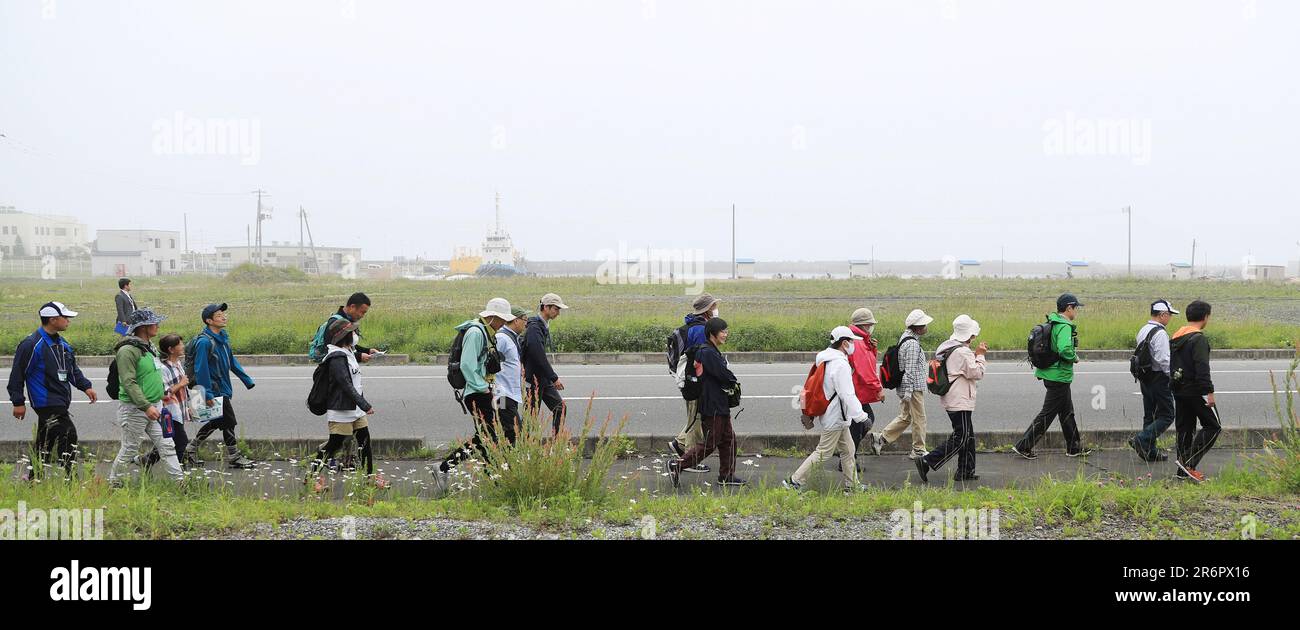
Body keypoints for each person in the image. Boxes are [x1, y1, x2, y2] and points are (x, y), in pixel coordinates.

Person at [7, 301, 97, 481]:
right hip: (45, 402)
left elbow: (72, 370)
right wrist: (18, 402)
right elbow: (17, 374)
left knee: (45, 441)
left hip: (61, 399)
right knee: (68, 434)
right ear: (53, 319)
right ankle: (71, 479)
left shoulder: (62, 343)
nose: (69, 321)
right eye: (66, 317)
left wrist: (86, 386)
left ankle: (33, 478)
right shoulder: (31, 344)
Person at [783, 326, 870, 493]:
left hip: (834, 414)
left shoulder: (825, 359)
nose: (853, 345)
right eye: (852, 342)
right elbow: (847, 394)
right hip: (836, 416)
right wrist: (862, 417)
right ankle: (794, 481)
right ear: (844, 343)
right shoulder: (840, 364)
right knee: (823, 452)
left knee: (848, 450)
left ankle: (852, 486)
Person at [437, 298, 513, 481]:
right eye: (502, 319)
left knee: (485, 437)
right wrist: (484, 388)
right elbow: (467, 365)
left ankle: (444, 467)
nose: (503, 323)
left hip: (485, 392)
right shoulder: (476, 333)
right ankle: (495, 475)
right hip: (477, 393)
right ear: (492, 317)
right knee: (488, 436)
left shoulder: (487, 332)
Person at [107, 309, 184, 486]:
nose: (158, 325)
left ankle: (180, 483)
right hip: (136, 409)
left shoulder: (149, 348)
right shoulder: (127, 350)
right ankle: (115, 484)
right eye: (154, 322)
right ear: (143, 327)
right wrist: (145, 406)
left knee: (167, 445)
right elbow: (128, 382)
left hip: (155, 407)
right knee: (129, 448)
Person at [666, 318, 746, 487]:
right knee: (711, 442)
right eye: (722, 331)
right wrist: (732, 380)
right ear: (712, 334)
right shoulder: (707, 352)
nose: (726, 334)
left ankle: (726, 476)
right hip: (712, 404)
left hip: (719, 403)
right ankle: (677, 465)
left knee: (728, 440)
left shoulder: (711, 350)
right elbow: (724, 375)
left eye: (726, 331)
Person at [1013, 293, 1092, 459]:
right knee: (1047, 414)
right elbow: (1064, 349)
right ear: (1069, 308)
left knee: (1066, 412)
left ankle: (1074, 447)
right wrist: (1074, 358)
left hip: (1051, 373)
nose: (1076, 311)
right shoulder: (1064, 326)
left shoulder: (1053, 322)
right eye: (1076, 308)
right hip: (1058, 376)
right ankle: (1024, 446)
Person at [308, 319, 383, 486]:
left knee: (365, 442)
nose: (356, 335)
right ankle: (311, 478)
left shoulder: (348, 352)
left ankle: (369, 478)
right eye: (353, 333)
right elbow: (345, 384)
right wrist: (365, 404)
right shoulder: (336, 356)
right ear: (344, 337)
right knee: (334, 445)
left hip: (355, 409)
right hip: (341, 410)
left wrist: (360, 406)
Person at [182, 303, 257, 469]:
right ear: (209, 321)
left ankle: (190, 449)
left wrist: (246, 380)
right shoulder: (204, 342)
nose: (224, 317)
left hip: (223, 386)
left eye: (223, 314)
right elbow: (201, 369)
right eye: (218, 315)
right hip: (213, 389)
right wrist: (207, 393)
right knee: (229, 422)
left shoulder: (222, 337)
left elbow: (232, 361)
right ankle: (234, 457)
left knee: (217, 422)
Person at [915, 315, 986, 483]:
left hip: (952, 398)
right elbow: (977, 373)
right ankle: (927, 461)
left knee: (968, 436)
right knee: (961, 436)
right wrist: (981, 356)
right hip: (959, 400)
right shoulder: (962, 351)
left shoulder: (946, 346)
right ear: (969, 336)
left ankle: (965, 471)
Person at [869, 309, 932, 460]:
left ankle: (880, 438)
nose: (926, 327)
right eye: (924, 324)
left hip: (906, 387)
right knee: (919, 418)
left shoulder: (906, 337)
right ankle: (918, 449)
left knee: (906, 417)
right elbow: (909, 370)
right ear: (917, 327)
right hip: (913, 388)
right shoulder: (912, 344)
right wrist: (909, 394)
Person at [666, 293, 719, 474]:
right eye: (713, 307)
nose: (715, 310)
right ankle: (690, 459)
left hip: (690, 380)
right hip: (696, 381)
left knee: (695, 416)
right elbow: (701, 358)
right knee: (696, 419)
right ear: (707, 310)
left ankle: (679, 444)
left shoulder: (693, 326)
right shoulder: (699, 330)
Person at [1170, 300, 1221, 482]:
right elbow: (1202, 367)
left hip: (1178, 388)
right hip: (1193, 390)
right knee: (1213, 426)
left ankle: (1183, 472)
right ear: (1205, 317)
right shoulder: (1198, 338)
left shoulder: (1177, 336)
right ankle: (1188, 463)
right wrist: (1209, 392)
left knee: (1185, 429)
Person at [1128, 300, 1179, 462]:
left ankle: (1149, 451)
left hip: (1145, 377)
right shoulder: (1160, 333)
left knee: (1149, 415)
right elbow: (1164, 360)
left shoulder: (1144, 329)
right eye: (1169, 315)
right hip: (1159, 378)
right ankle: (1142, 439)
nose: (1170, 318)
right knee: (1167, 415)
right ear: (1163, 315)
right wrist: (1173, 377)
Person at [142, 334, 197, 470]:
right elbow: (164, 393)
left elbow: (184, 390)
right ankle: (182, 473)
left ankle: (147, 460)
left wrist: (188, 406)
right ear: (171, 349)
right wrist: (181, 383)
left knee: (170, 440)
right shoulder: (163, 368)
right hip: (169, 412)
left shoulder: (178, 364)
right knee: (181, 441)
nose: (183, 346)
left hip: (180, 408)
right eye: (180, 344)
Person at [841, 307, 883, 471]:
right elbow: (865, 369)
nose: (872, 327)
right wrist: (878, 388)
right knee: (863, 422)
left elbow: (868, 361)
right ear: (864, 325)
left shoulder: (858, 340)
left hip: (854, 391)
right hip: (855, 392)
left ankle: (847, 456)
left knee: (856, 424)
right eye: (870, 324)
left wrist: (872, 347)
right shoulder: (857, 343)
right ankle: (848, 458)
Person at [523, 293, 569, 434]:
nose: (558, 313)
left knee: (560, 408)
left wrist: (549, 377)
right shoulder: (534, 327)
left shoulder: (542, 325)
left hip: (543, 378)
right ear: (546, 307)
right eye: (556, 309)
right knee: (531, 416)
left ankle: (556, 445)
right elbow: (538, 354)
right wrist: (554, 377)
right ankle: (526, 448)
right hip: (534, 379)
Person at [494, 306, 529, 444]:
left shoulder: (511, 337)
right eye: (525, 320)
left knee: (498, 432)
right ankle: (512, 464)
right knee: (513, 431)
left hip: (509, 394)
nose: (526, 323)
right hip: (503, 395)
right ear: (515, 320)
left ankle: (504, 462)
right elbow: (489, 361)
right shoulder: (502, 338)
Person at [309, 292, 377, 363]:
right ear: (352, 307)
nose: (362, 316)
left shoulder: (348, 321)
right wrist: (359, 356)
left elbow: (346, 345)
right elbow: (332, 350)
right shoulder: (336, 323)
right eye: (362, 312)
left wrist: (368, 351)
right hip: (335, 369)